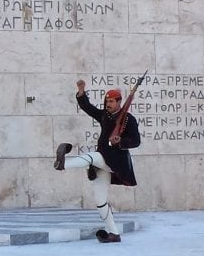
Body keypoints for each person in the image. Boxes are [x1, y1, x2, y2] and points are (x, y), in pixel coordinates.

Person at [53, 79, 140, 243]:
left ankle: (63, 164)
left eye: (111, 101)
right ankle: (113, 233)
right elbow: (88, 108)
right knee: (100, 200)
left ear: (119, 102)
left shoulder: (129, 119)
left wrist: (120, 141)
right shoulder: (105, 116)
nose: (108, 104)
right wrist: (81, 91)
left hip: (116, 161)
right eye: (107, 101)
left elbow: (136, 141)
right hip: (103, 161)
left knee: (91, 157)